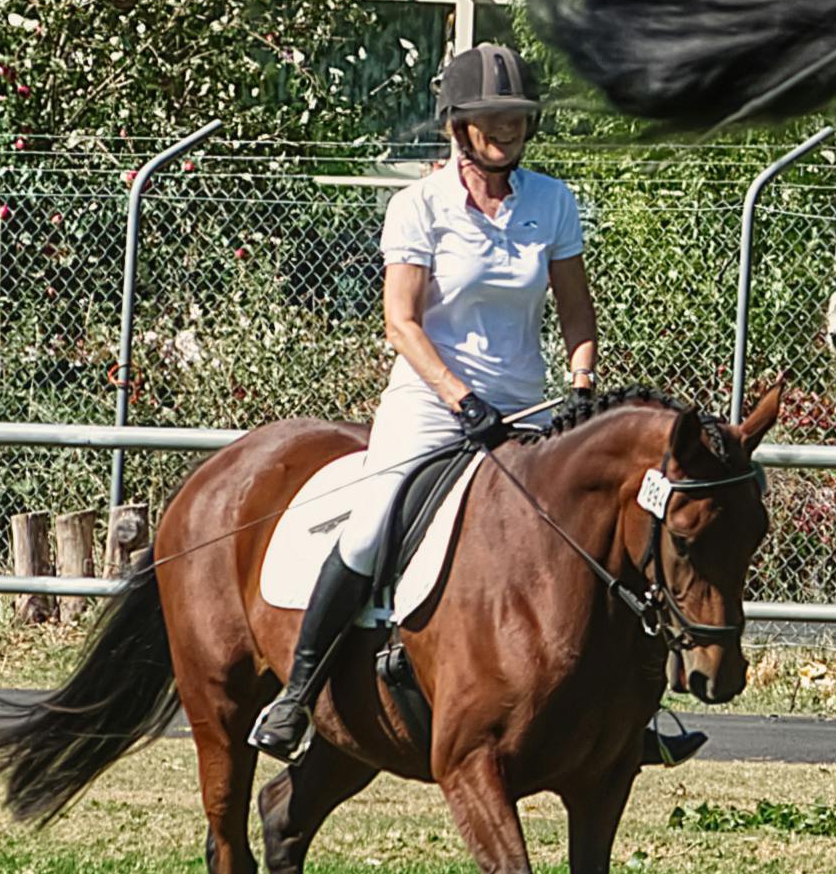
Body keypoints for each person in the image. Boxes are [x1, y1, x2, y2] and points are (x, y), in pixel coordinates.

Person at [252, 42, 598, 754]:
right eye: (491, 119)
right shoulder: (419, 205)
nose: (507, 132)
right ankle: (297, 695)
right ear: (457, 124)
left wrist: (583, 382)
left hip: (525, 411)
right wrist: (458, 395)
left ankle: (620, 709)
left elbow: (576, 312)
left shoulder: (553, 202)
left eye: (517, 119)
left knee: (588, 530)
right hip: (430, 404)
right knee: (372, 522)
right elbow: (400, 321)